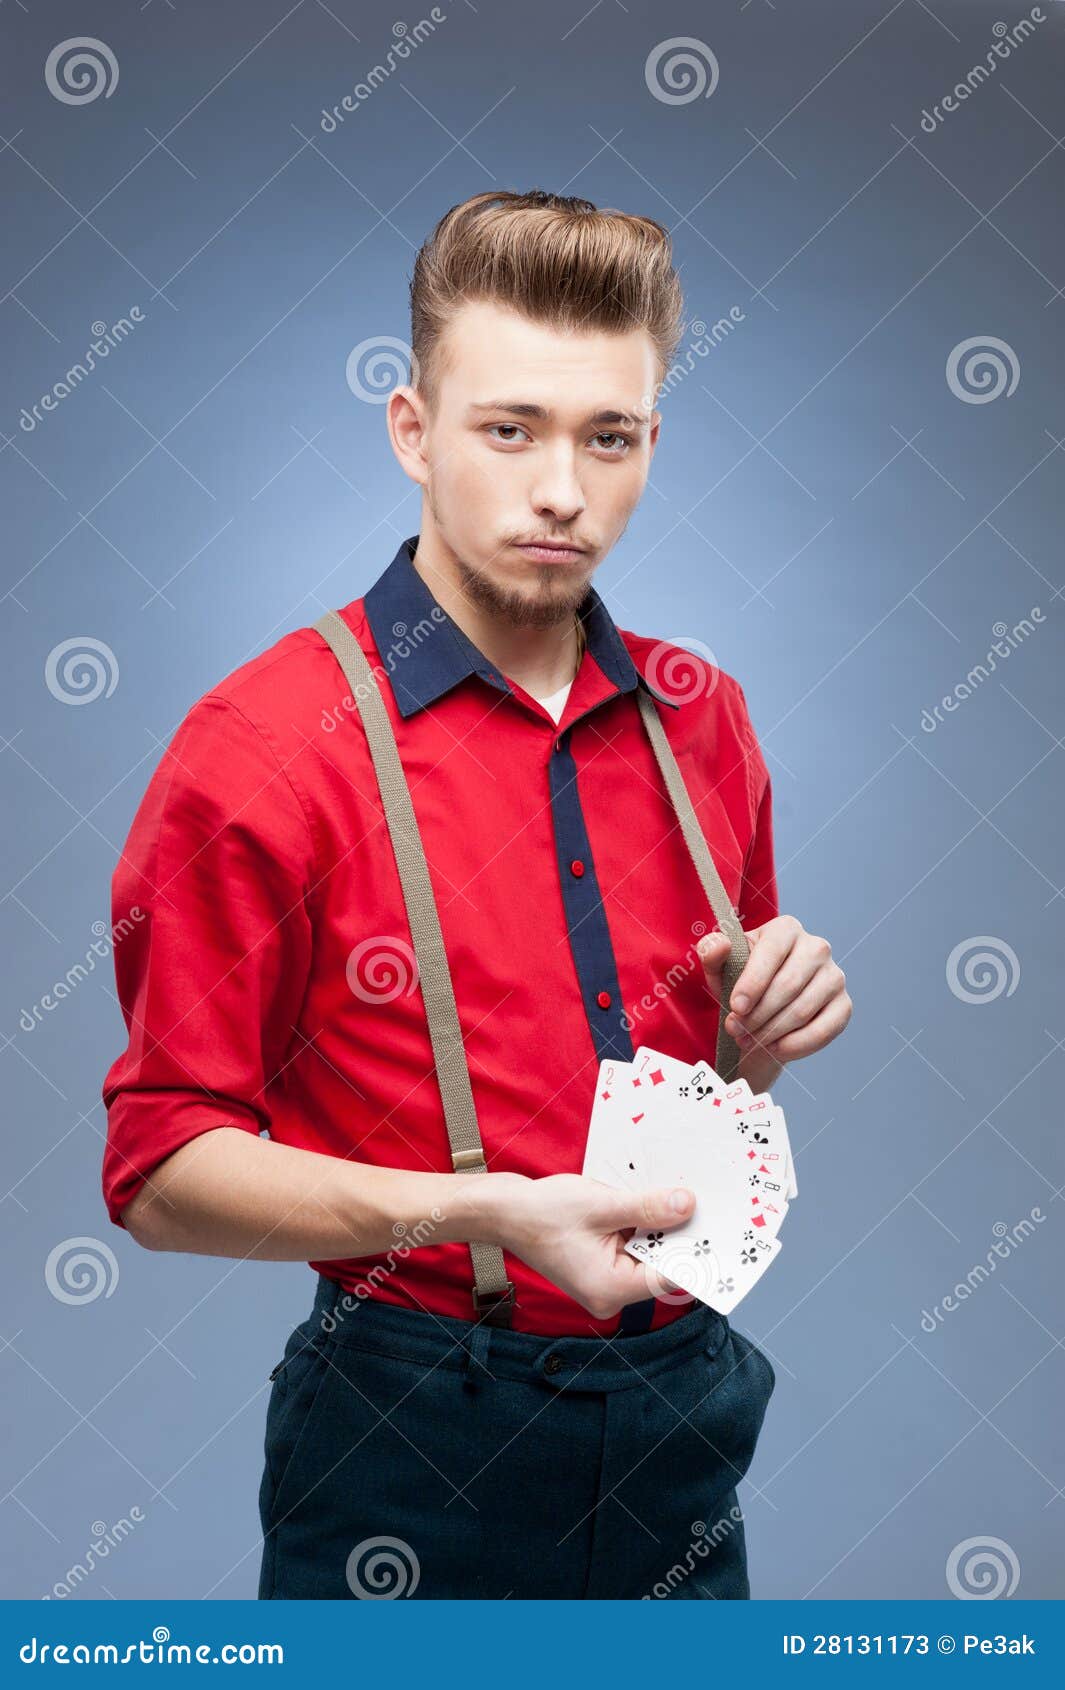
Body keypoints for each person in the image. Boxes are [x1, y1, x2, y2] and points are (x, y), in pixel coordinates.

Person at [100, 189, 851, 1600]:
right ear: (412, 432)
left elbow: (710, 1075)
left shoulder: (705, 718)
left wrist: (764, 1027)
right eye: (509, 430)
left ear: (648, 447)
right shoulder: (262, 747)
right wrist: (485, 1215)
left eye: (605, 437)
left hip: (680, 1414)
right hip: (407, 1423)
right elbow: (159, 1171)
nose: (559, 488)